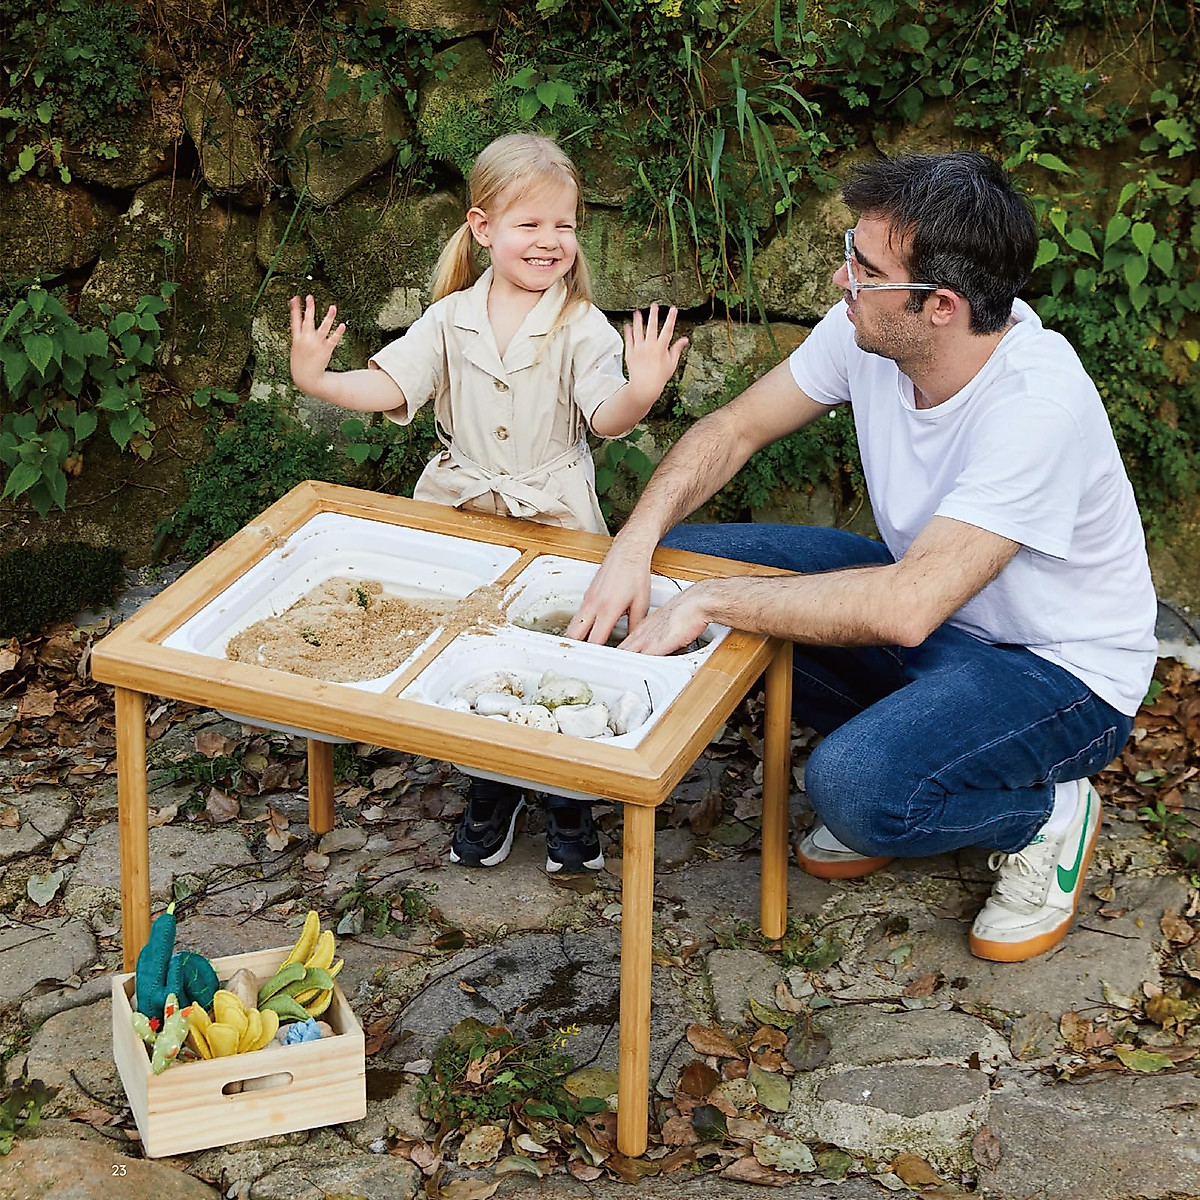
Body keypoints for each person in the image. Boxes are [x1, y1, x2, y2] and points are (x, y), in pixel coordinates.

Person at [566, 151, 1157, 963]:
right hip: (931, 616)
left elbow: (903, 610)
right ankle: (920, 753)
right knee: (678, 560)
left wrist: (708, 606)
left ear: (939, 306)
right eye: (852, 249)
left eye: (866, 267)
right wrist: (632, 547)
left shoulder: (1036, 409)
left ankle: (1045, 816)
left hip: (1055, 676)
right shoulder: (871, 331)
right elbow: (733, 429)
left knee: (853, 788)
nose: (843, 279)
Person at [289, 132, 687, 875]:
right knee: (477, 651)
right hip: (464, 516)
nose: (550, 242)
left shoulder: (582, 324)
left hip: (558, 516)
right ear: (482, 229)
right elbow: (393, 386)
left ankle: (569, 795)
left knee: (568, 648)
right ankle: (492, 789)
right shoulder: (450, 318)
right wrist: (322, 382)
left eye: (563, 225)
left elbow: (606, 415)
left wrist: (644, 386)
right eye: (529, 225)